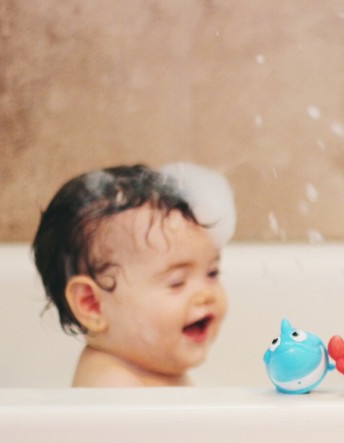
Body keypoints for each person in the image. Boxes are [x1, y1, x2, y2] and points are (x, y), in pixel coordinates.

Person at [32, 163, 235, 387]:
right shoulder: (113, 386)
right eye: (177, 282)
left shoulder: (151, 367)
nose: (206, 294)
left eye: (212, 273)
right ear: (92, 304)